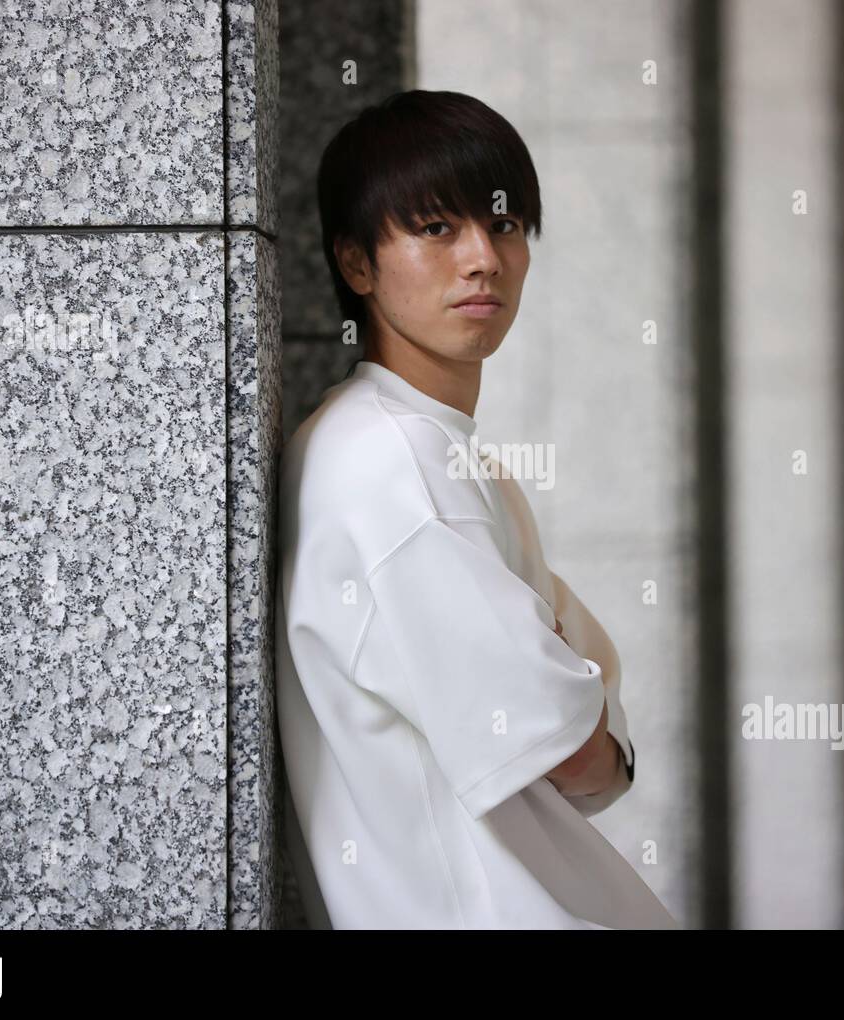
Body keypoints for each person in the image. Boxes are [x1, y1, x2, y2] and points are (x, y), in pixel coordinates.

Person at [274, 89, 678, 929]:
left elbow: (576, 712)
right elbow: (575, 750)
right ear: (356, 264)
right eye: (434, 229)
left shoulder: (440, 456)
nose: (482, 259)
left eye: (503, 226)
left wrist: (581, 703)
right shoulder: (394, 467)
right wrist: (586, 711)